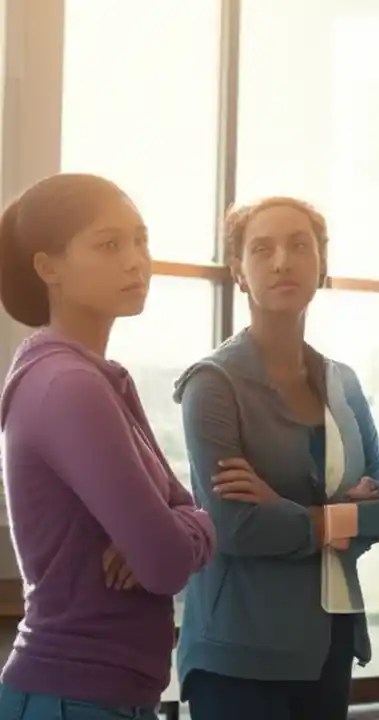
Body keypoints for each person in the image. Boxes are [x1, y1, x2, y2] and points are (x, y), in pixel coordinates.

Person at [0, 173, 215, 719]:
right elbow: (166, 562)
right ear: (48, 267)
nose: (135, 261)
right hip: (73, 696)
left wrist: (181, 522)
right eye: (109, 244)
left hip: (107, 696)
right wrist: (176, 527)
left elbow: (185, 517)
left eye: (140, 240)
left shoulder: (102, 378)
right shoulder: (67, 385)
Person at [173, 197, 379, 719]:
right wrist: (339, 514)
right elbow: (236, 528)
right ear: (239, 273)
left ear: (322, 262)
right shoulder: (213, 384)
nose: (282, 261)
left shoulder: (343, 382)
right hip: (240, 656)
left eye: (300, 245)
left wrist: (282, 506)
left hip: (329, 642)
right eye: (262, 248)